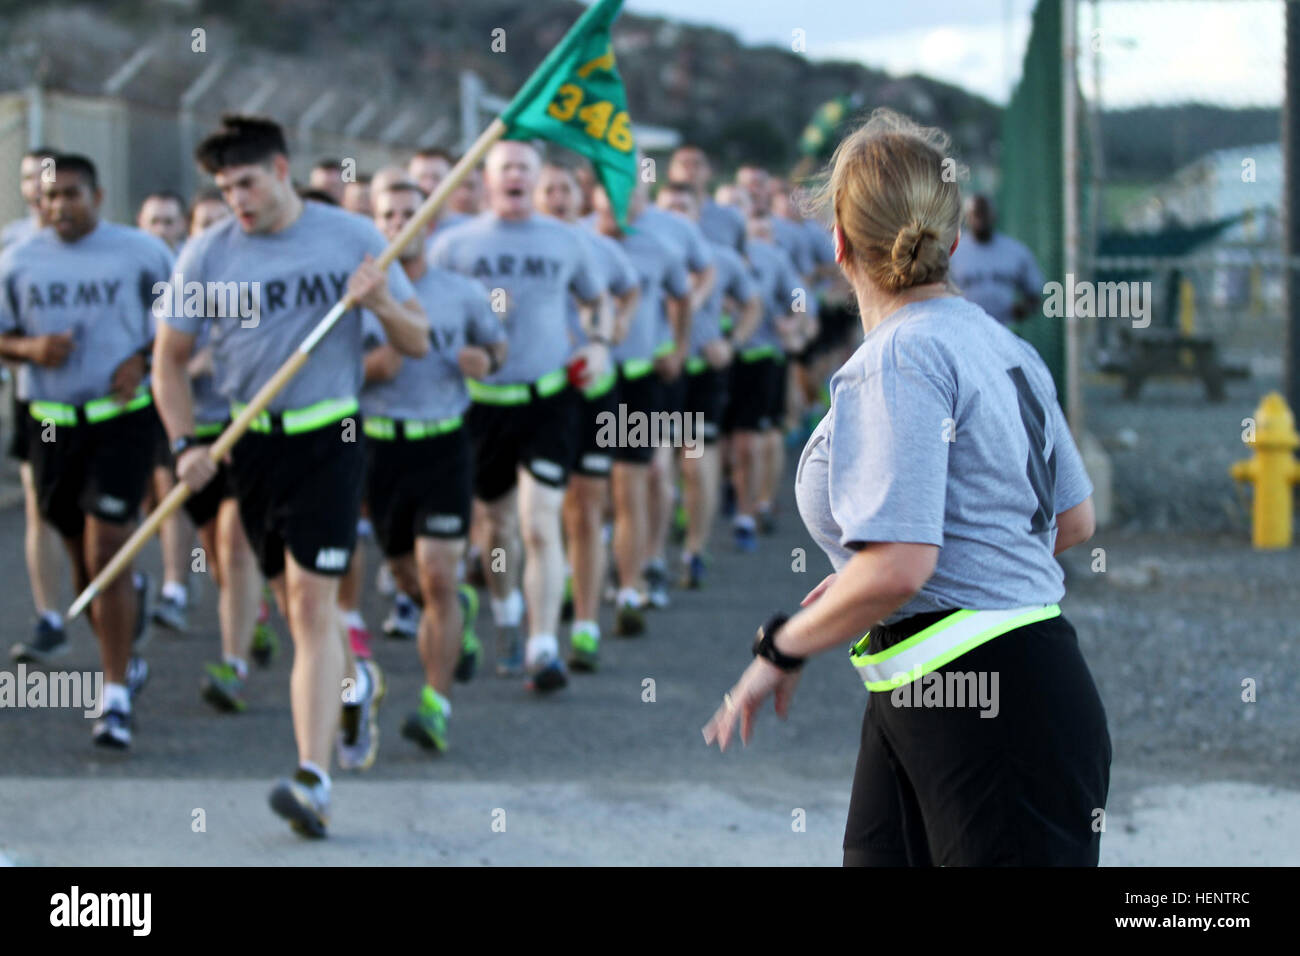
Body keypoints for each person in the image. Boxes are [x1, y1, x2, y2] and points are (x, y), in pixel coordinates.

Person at [702, 109, 1110, 867]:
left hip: (982, 707)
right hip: (940, 697)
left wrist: (780, 650)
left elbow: (903, 564)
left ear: (838, 244)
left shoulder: (899, 358)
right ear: (953, 241)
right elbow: (1072, 520)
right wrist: (875, 580)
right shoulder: (1001, 344)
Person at [153, 115, 428, 837]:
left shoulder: (350, 236)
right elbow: (169, 360)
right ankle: (354, 683)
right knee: (288, 601)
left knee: (310, 604)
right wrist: (185, 443)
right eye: (223, 188)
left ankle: (312, 779)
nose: (236, 199)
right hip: (252, 444)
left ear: (280, 169)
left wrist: (379, 304)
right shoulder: (207, 253)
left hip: (330, 436)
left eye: (247, 183)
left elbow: (419, 339)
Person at [0, 153, 168, 747]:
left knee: (107, 546)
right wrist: (29, 349)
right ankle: (125, 645)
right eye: (49, 197)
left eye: (71, 194)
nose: (59, 207)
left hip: (120, 419)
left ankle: (115, 694)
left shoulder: (139, 252)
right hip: (50, 425)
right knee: (81, 562)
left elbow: (184, 316)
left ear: (97, 196)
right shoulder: (17, 259)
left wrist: (143, 358)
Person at [428, 140, 603, 691]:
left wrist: (597, 342)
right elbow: (426, 306)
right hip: (481, 405)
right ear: (485, 178)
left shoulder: (565, 239)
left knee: (539, 520)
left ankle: (544, 645)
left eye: (525, 168)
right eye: (505, 168)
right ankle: (506, 615)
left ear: (535, 178)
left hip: (548, 399)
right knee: (498, 525)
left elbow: (599, 299)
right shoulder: (452, 244)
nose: (515, 176)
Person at [361, 179, 506, 750]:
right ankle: (458, 616)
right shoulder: (357, 291)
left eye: (410, 211)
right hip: (377, 447)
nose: (400, 221)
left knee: (440, 575)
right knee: (407, 579)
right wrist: (377, 361)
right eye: (388, 213)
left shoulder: (463, 291)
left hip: (444, 442)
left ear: (431, 220)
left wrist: (485, 359)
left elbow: (498, 348)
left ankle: (435, 704)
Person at [534, 161, 639, 670]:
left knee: (587, 506)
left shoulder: (599, 247)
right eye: (548, 188)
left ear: (580, 200)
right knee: (540, 512)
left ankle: (586, 625)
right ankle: (541, 611)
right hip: (542, 396)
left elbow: (630, 287)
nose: (557, 196)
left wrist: (613, 331)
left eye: (565, 189)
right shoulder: (521, 250)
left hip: (596, 390)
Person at [592, 185, 690, 636]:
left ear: (642, 200)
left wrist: (680, 347)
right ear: (594, 195)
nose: (619, 200)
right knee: (587, 493)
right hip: (585, 380)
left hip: (639, 377)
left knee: (634, 482)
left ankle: (631, 586)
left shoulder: (660, 246)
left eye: (629, 192)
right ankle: (589, 579)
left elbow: (683, 296)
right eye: (610, 188)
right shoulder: (577, 240)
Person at [655, 181, 759, 589]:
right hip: (658, 375)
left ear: (700, 213)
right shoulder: (644, 253)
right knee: (655, 470)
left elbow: (753, 303)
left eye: (686, 206)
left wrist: (732, 343)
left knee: (696, 465)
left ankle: (694, 550)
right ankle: (650, 559)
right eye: (670, 207)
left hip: (701, 373)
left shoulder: (723, 260)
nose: (679, 214)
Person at [3, 146, 68, 662]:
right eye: (31, 179)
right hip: (35, 400)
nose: (41, 191)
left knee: (95, 518)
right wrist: (30, 350)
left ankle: (112, 589)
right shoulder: (11, 249)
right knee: (39, 506)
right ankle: (50, 615)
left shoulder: (99, 242)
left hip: (105, 407)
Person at [136, 190, 198, 632]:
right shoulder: (134, 268)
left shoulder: (194, 272)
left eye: (169, 221)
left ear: (183, 227)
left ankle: (175, 585)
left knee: (172, 486)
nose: (161, 230)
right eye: (153, 221)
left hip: (181, 399)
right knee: (148, 498)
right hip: (131, 399)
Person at [948, 194, 1044, 326]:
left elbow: (1035, 294)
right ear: (967, 218)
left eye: (984, 213)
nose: (980, 219)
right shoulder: (954, 253)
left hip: (1004, 328)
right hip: (966, 328)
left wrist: (1023, 309)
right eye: (976, 214)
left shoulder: (1015, 251)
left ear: (994, 215)